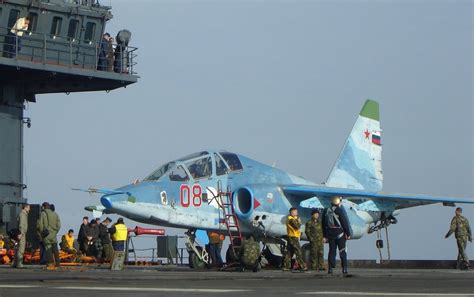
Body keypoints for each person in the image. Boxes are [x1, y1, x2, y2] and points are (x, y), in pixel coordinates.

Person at [322, 196, 352, 275]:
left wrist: (324, 235)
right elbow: (344, 223)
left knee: (331, 251)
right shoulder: (340, 210)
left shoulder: (326, 211)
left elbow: (323, 224)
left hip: (330, 233)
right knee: (342, 251)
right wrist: (348, 233)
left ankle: (330, 269)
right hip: (340, 234)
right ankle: (344, 269)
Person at [37, 202, 61, 268]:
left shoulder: (43, 213)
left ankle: (50, 264)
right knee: (55, 248)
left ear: (44, 207)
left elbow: (40, 225)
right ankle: (58, 264)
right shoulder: (55, 214)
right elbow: (59, 225)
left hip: (46, 234)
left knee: (48, 249)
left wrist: (42, 233)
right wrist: (55, 232)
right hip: (54, 234)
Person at [283, 207, 307, 271]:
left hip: (293, 236)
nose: (297, 213)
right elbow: (297, 226)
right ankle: (302, 266)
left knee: (290, 251)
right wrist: (299, 221)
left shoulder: (294, 218)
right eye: (295, 212)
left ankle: (286, 266)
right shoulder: (290, 219)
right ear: (292, 212)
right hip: (293, 237)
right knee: (298, 251)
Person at [12, 204, 29, 268]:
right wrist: (21, 234)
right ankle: (19, 264)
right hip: (22, 234)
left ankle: (14, 263)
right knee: (21, 249)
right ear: (25, 207)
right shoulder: (23, 215)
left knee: (17, 249)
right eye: (28, 207)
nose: (29, 209)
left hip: (21, 233)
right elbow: (21, 225)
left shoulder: (22, 214)